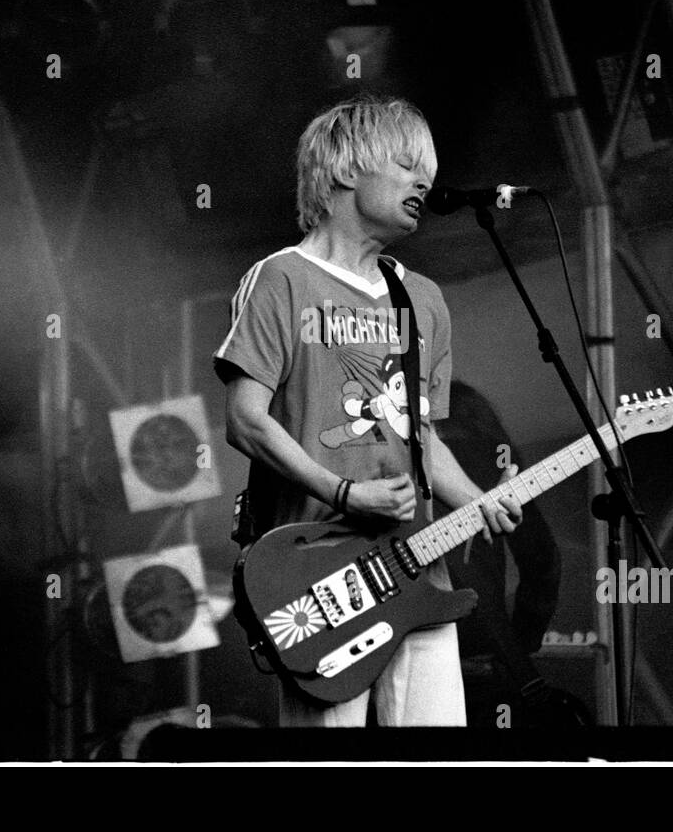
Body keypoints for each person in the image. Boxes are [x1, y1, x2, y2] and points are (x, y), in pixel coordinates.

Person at [213, 96, 522, 727]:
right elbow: (245, 420)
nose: (425, 184)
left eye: (428, 174)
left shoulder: (423, 300)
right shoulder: (282, 279)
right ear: (347, 169)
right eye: (408, 166)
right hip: (317, 577)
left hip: (418, 571)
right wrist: (346, 492)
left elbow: (421, 438)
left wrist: (477, 500)